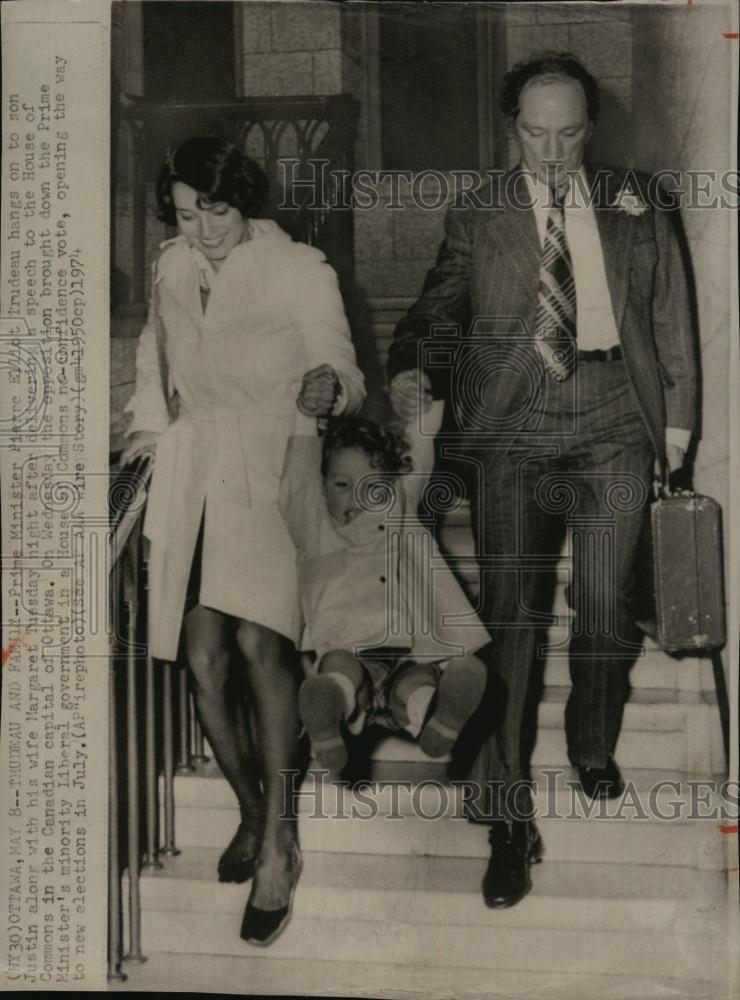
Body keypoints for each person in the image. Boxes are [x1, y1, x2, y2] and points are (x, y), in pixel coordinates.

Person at [387, 53, 697, 909]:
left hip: (614, 419)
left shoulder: (640, 202)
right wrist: (415, 364)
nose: (552, 153)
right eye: (533, 134)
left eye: (567, 134)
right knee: (512, 618)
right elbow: (435, 307)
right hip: (511, 430)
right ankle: (505, 815)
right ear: (510, 127)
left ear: (589, 129)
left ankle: (592, 740)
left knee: (604, 603)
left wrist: (675, 431)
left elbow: (669, 319)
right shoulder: (480, 211)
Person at [121, 137, 365, 945]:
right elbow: (152, 371)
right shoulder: (169, 267)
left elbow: (340, 362)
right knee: (201, 656)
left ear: (244, 201)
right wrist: (145, 441)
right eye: (188, 214)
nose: (203, 229)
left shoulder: (299, 266)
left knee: (264, 649)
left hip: (272, 463)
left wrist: (329, 388)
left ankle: (279, 844)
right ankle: (254, 811)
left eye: (216, 210)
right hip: (195, 475)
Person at [279, 417, 490, 772]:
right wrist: (303, 418)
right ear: (321, 486)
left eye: (372, 487)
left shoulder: (400, 509)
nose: (356, 497)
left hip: (410, 652)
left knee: (417, 685)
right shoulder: (312, 520)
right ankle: (326, 717)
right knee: (340, 673)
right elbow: (297, 479)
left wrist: (422, 409)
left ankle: (438, 718)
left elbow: (419, 456)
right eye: (342, 484)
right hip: (347, 649)